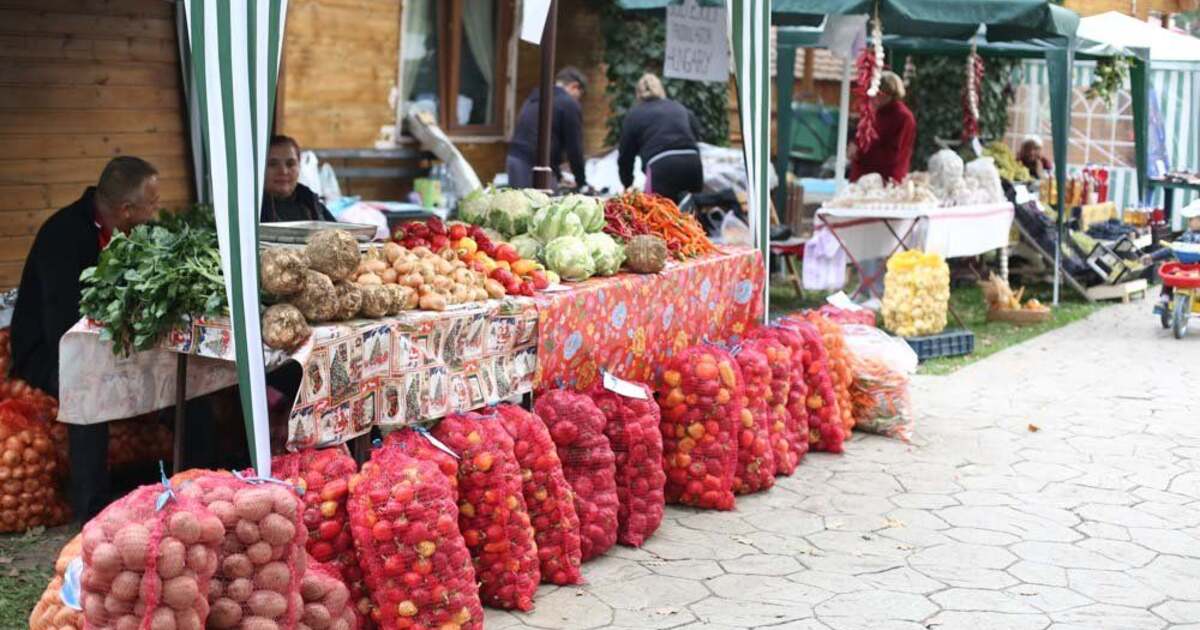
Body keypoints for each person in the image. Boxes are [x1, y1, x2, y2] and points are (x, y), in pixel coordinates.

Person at [10, 157, 166, 520]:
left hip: (114, 345)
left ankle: (197, 472)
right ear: (127, 210)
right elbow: (62, 325)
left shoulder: (137, 234)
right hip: (53, 352)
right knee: (88, 386)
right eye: (153, 204)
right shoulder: (62, 235)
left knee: (181, 368)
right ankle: (92, 507)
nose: (157, 211)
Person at [617, 73, 704, 204]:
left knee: (659, 215)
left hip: (661, 167)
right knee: (692, 212)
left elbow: (625, 156)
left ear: (638, 94)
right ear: (661, 89)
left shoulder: (634, 115)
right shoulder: (679, 107)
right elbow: (696, 134)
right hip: (692, 163)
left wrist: (627, 183)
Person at [506, 67, 588, 190]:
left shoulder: (536, 97)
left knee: (521, 206)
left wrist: (558, 176)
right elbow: (574, 148)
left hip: (515, 159)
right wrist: (581, 183)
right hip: (533, 165)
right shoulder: (568, 103)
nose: (577, 100)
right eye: (579, 95)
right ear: (574, 86)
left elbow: (545, 139)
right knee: (546, 206)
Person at [850, 71, 916, 183]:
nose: (873, 98)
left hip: (886, 180)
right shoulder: (873, 110)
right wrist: (854, 145)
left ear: (888, 95)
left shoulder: (903, 117)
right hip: (863, 176)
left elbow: (893, 155)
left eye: (877, 94)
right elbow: (863, 136)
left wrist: (860, 153)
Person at [261, 134, 336, 222]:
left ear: (299, 166)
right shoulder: (252, 209)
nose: (283, 171)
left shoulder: (311, 203)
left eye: (290, 164)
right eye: (273, 164)